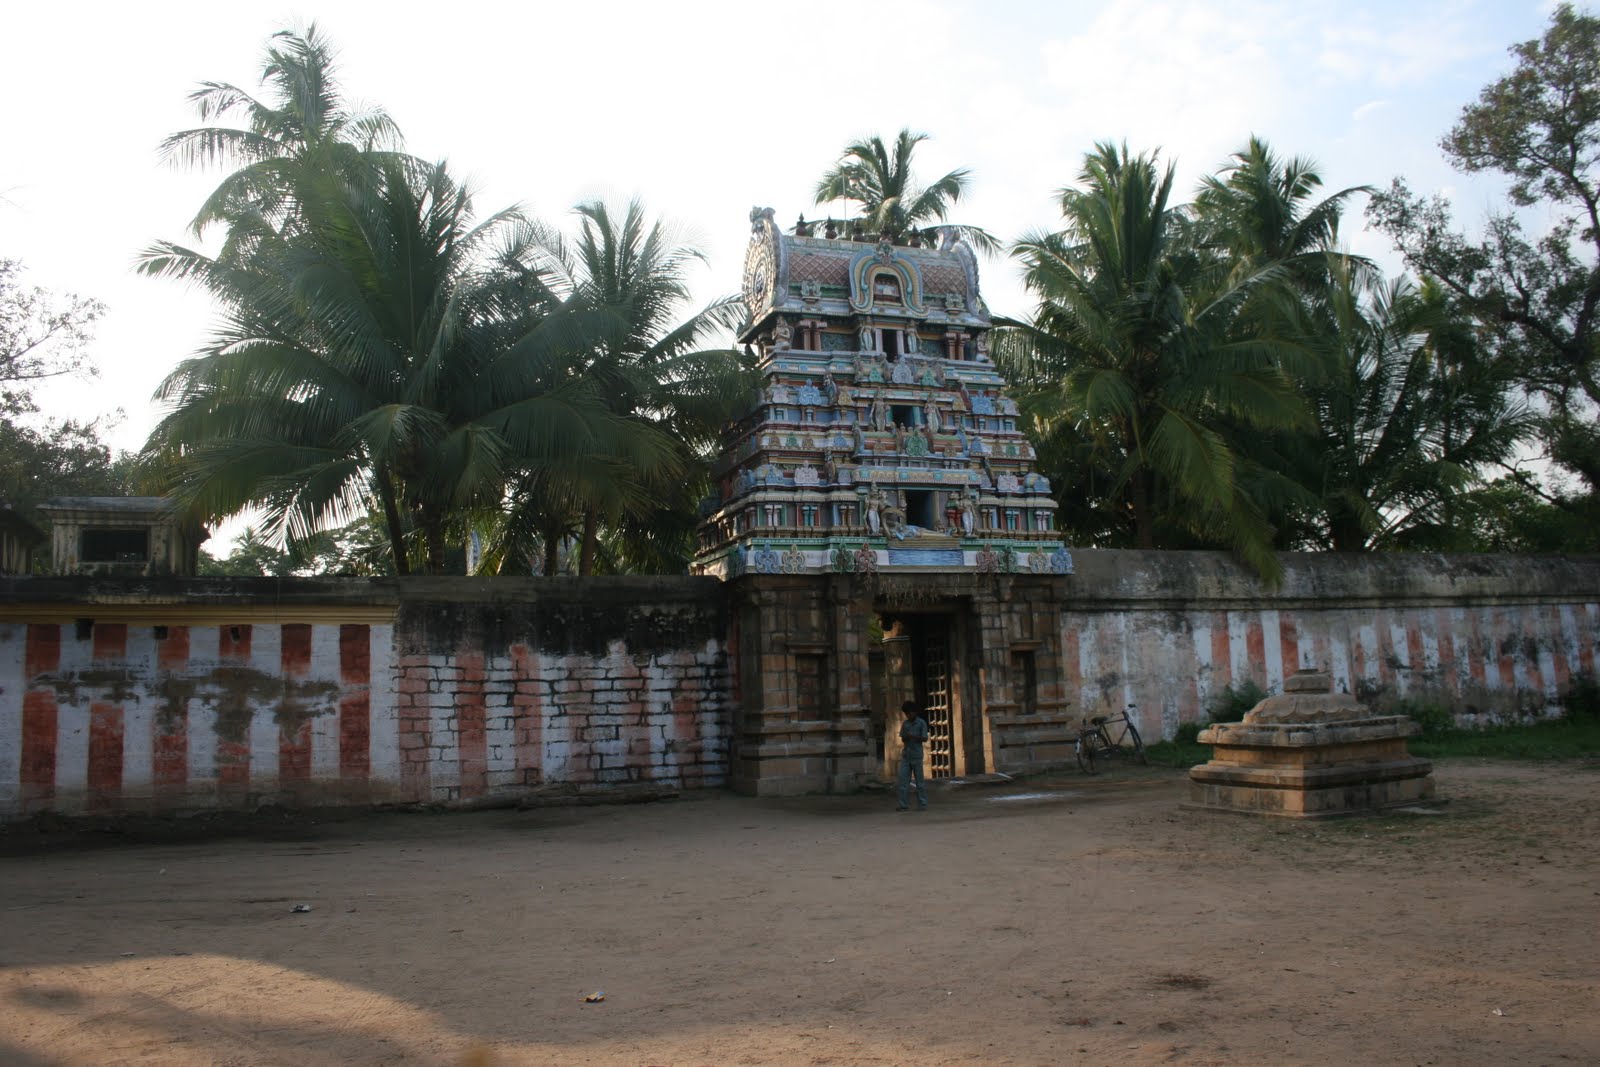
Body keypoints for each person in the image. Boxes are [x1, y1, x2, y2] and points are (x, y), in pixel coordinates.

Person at [896, 700, 930, 811]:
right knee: (903, 781)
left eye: (910, 713)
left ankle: (923, 804)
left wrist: (913, 737)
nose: (908, 715)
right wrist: (906, 737)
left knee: (919, 782)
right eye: (906, 713)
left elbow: (924, 738)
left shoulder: (921, 723)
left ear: (914, 712)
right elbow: (902, 738)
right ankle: (903, 804)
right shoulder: (905, 724)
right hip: (906, 755)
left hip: (916, 755)